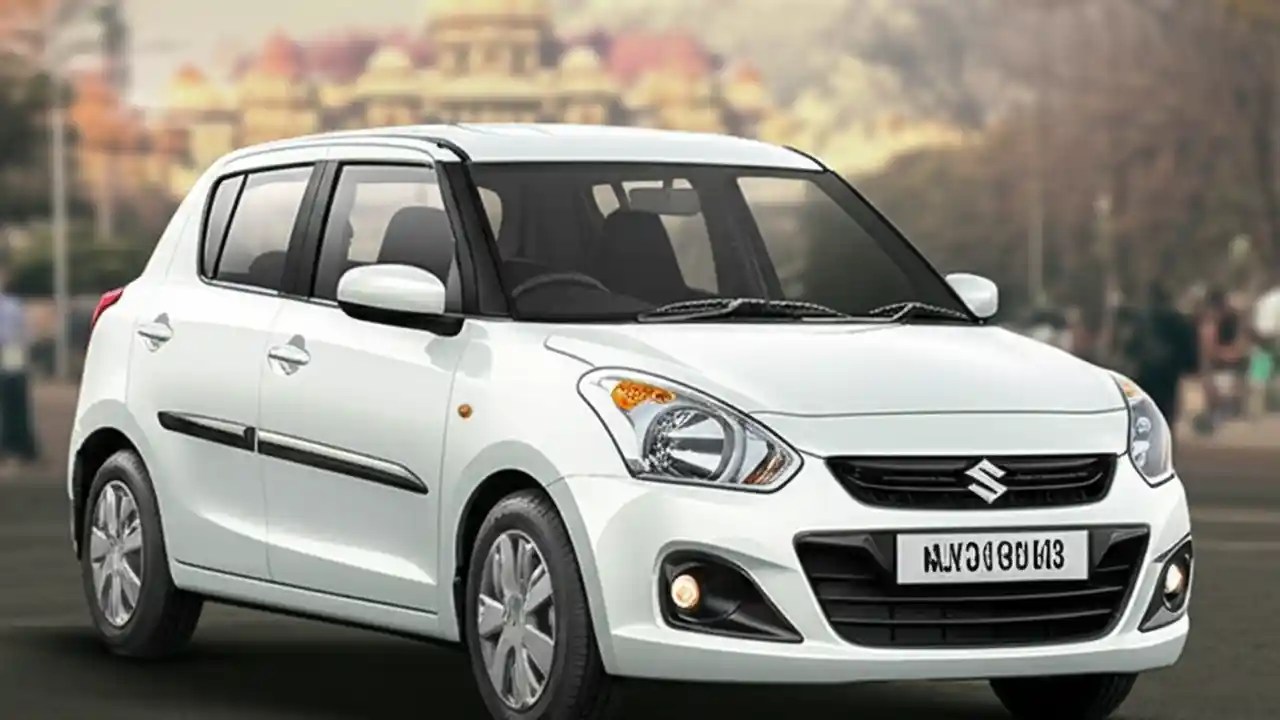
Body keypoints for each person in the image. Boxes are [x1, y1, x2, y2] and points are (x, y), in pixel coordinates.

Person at [1126, 284, 1197, 428]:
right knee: (1165, 419)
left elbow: (1130, 347)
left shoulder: (1140, 319)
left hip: (1144, 375)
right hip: (1168, 376)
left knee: (1143, 418)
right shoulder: (1178, 319)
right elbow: (1188, 349)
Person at [0, 265, 38, 469]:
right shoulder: (13, 305)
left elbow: (24, 334)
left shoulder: (13, 305)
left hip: (12, 357)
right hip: (12, 356)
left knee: (15, 404)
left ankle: (19, 447)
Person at [1196, 288, 1250, 429]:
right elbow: (1208, 353)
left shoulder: (1232, 320)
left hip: (1227, 371)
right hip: (1216, 371)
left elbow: (1241, 346)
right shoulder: (1208, 323)